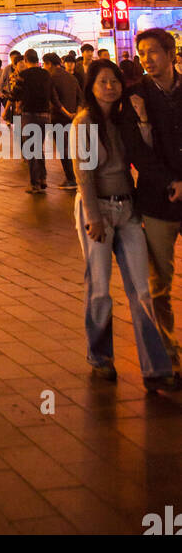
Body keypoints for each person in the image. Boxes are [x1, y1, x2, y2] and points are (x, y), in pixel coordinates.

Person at [71, 58, 180, 391]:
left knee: (142, 289)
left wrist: (143, 119)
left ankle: (155, 366)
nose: (110, 87)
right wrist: (93, 218)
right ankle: (100, 357)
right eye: (102, 81)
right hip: (98, 211)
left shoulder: (123, 119)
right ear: (91, 86)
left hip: (127, 208)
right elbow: (84, 175)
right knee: (101, 289)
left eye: (114, 81)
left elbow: (144, 153)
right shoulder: (85, 122)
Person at [127, 28, 182, 370]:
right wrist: (170, 181)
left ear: (171, 53)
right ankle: (169, 356)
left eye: (152, 52)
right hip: (158, 200)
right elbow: (137, 151)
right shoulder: (135, 96)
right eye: (142, 53)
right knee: (158, 282)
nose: (146, 59)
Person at [11, 48, 60, 194]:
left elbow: (15, 95)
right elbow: (52, 94)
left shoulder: (23, 75)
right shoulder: (46, 74)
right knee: (39, 147)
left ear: (25, 60)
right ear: (37, 59)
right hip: (45, 115)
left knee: (31, 149)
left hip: (29, 115)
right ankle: (43, 178)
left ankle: (35, 183)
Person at [44, 52, 81, 189]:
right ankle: (78, 176)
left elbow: (55, 100)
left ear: (49, 63)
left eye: (45, 64)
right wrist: (75, 113)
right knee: (73, 148)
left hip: (58, 117)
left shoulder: (51, 78)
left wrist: (66, 113)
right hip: (73, 117)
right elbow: (80, 96)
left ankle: (71, 179)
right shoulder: (71, 77)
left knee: (63, 148)